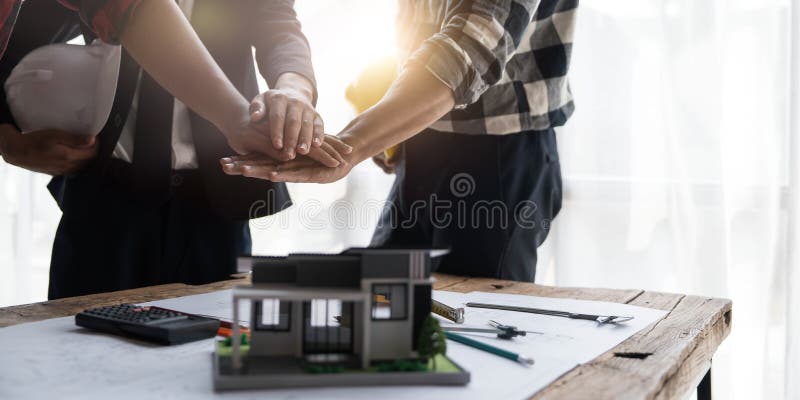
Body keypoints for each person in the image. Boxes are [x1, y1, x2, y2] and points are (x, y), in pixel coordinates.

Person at [0, 0, 347, 299]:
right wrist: (8, 140)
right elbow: (12, 42)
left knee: (208, 355)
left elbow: (280, 28)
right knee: (78, 354)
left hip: (217, 198)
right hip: (104, 198)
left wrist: (295, 89)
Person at [223, 0, 577, 282]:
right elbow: (417, 30)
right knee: (385, 304)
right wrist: (385, 124)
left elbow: (471, 47)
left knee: (482, 314)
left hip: (502, 152)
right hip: (421, 144)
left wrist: (354, 142)